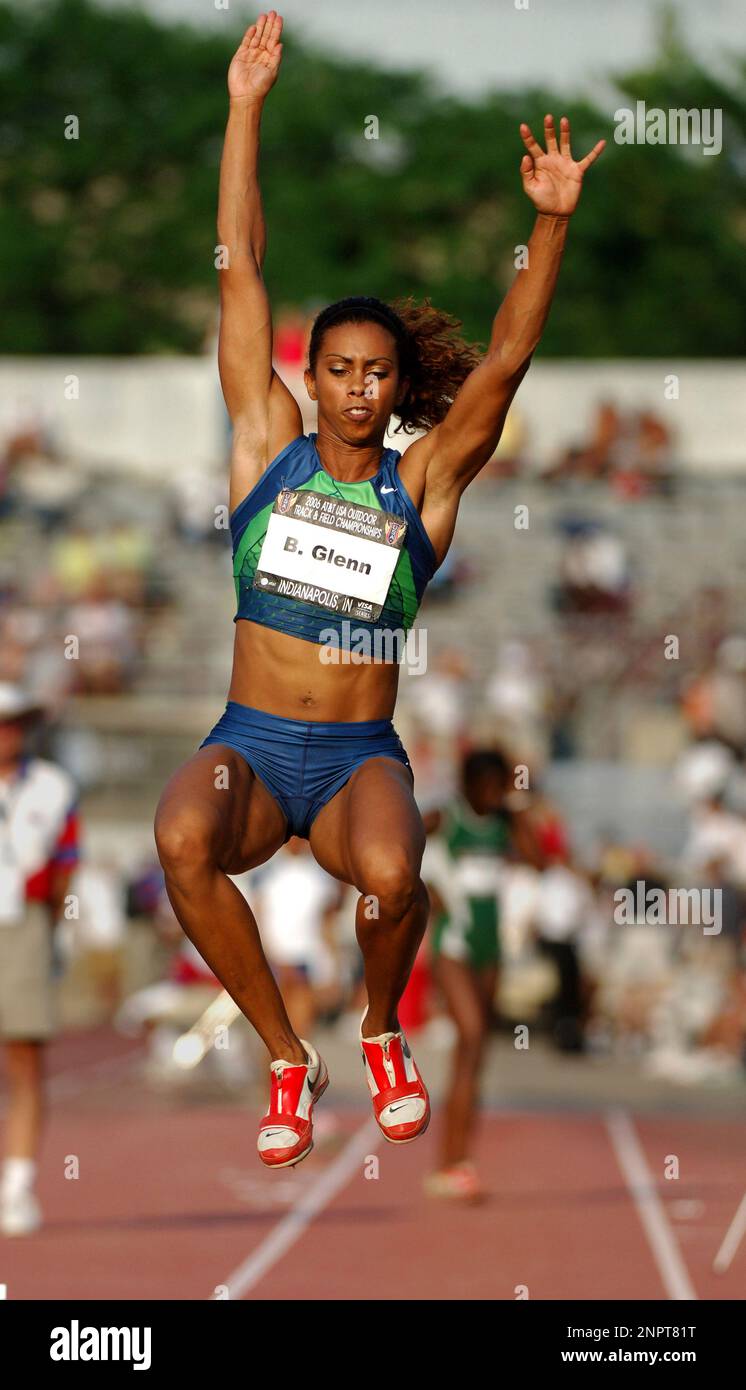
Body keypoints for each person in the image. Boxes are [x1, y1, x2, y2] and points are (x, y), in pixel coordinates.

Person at [154, 10, 605, 1169]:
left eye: (377, 373)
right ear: (313, 376)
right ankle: (286, 1056)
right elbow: (240, 264)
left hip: (357, 758)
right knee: (180, 835)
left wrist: (546, 226)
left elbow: (503, 358)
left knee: (397, 876)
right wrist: (242, 110)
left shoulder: (426, 486)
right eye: (338, 369)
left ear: (400, 385)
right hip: (249, 744)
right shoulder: (264, 445)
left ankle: (378, 1026)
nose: (356, 388)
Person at [423, 750, 541, 1201]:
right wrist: (428, 888)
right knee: (470, 1033)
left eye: (501, 786)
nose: (494, 795)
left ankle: (455, 1161)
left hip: (491, 948)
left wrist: (519, 809)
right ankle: (450, 1161)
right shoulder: (445, 816)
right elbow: (400, 841)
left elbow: (538, 860)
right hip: (453, 944)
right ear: (469, 784)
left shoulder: (505, 822)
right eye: (489, 786)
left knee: (473, 1057)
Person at [0, 685, 79, 1235]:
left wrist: (51, 930)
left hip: (23, 925)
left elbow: (67, 864)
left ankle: (17, 1187)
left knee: (24, 1058)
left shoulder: (51, 785)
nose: (9, 733)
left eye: (16, 723)